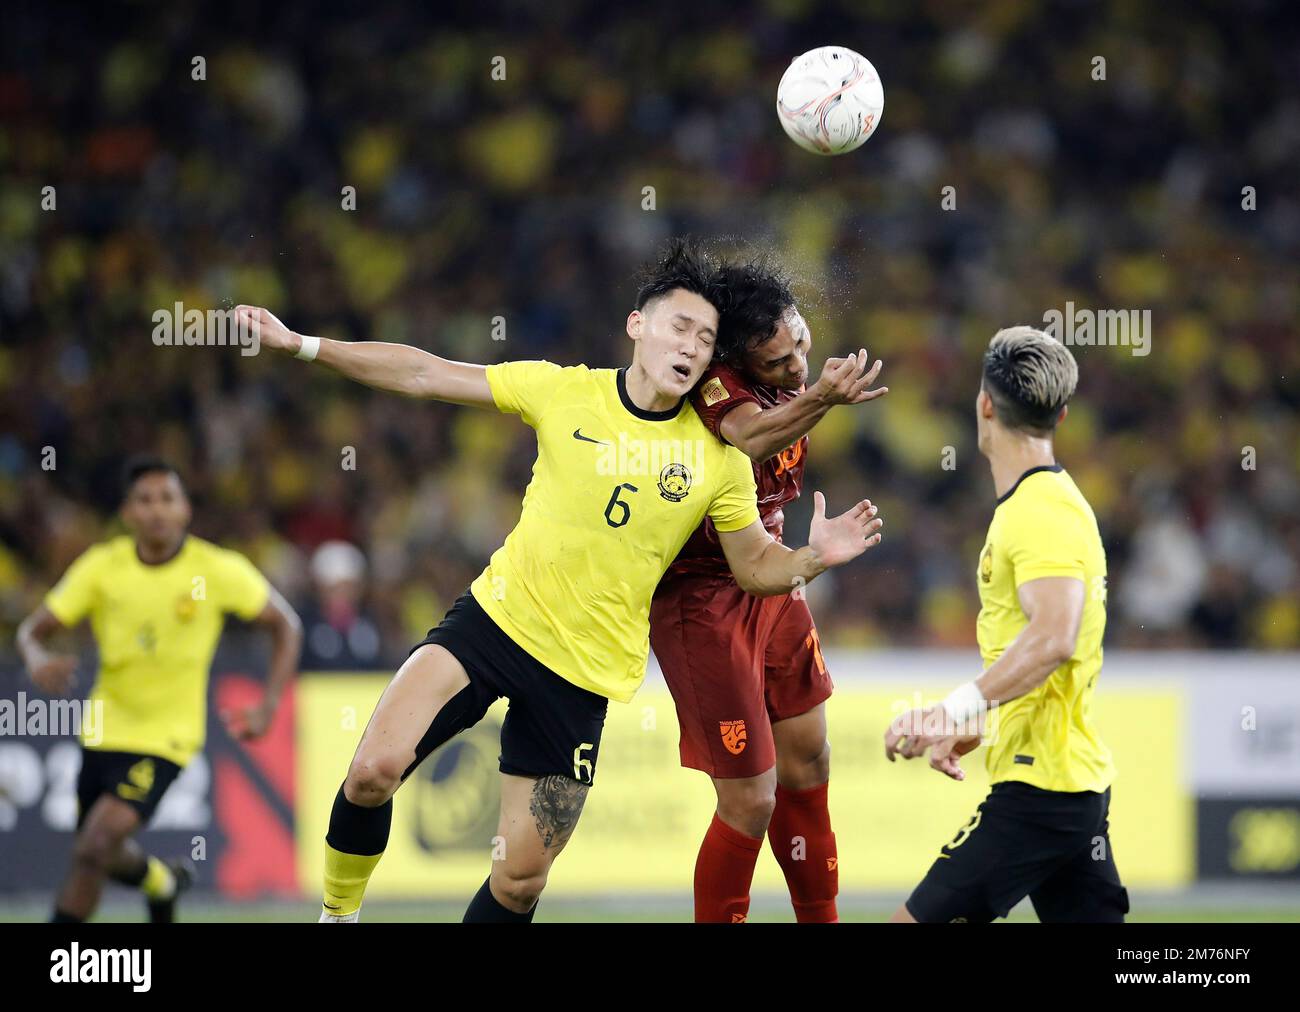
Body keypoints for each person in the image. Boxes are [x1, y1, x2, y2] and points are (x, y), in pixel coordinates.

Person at [234, 238, 885, 923]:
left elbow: (754, 565)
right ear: (638, 326)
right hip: (492, 625)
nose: (690, 344)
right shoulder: (563, 389)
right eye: (678, 325)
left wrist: (815, 556)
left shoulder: (715, 459)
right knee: (371, 773)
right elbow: (426, 373)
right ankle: (338, 916)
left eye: (705, 337)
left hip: (582, 674)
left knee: (519, 883)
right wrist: (303, 345)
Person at [649, 261, 887, 923]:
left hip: (775, 579)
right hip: (704, 598)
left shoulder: (786, 376)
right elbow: (749, 436)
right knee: (750, 800)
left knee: (809, 757)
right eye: (779, 362)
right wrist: (823, 400)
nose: (797, 368)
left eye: (802, 346)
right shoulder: (711, 386)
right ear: (737, 358)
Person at [883, 326, 1128, 923]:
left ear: (985, 404)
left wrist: (956, 707)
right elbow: (1040, 657)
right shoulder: (1041, 506)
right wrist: (973, 725)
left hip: (1041, 793)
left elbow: (1053, 638)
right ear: (1062, 415)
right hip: (1064, 784)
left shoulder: (1041, 512)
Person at [17, 456, 302, 922]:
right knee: (93, 855)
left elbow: (286, 625)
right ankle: (160, 881)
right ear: (127, 514)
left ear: (185, 509)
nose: (156, 511)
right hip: (104, 730)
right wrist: (37, 658)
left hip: (167, 737)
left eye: (167, 499)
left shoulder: (215, 569)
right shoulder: (101, 567)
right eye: (144, 501)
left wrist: (270, 705)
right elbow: (32, 630)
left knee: (96, 842)